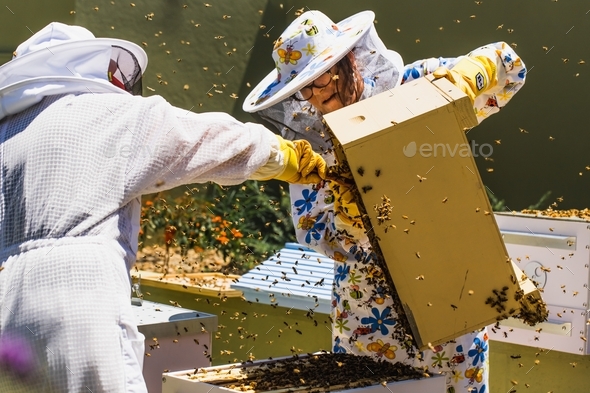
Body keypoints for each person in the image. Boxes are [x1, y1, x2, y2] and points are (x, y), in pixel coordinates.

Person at [0, 22, 327, 393]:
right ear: (82, 65)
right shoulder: (102, 113)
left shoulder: (6, 136)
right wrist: (282, 156)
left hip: (6, 312)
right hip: (79, 301)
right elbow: (206, 139)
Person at [243, 10, 527, 393]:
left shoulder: (413, 85)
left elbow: (509, 65)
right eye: (302, 88)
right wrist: (349, 218)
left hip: (453, 287)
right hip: (368, 313)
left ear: (348, 60)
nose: (314, 94)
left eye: (319, 77)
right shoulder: (314, 144)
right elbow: (313, 231)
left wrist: (464, 79)